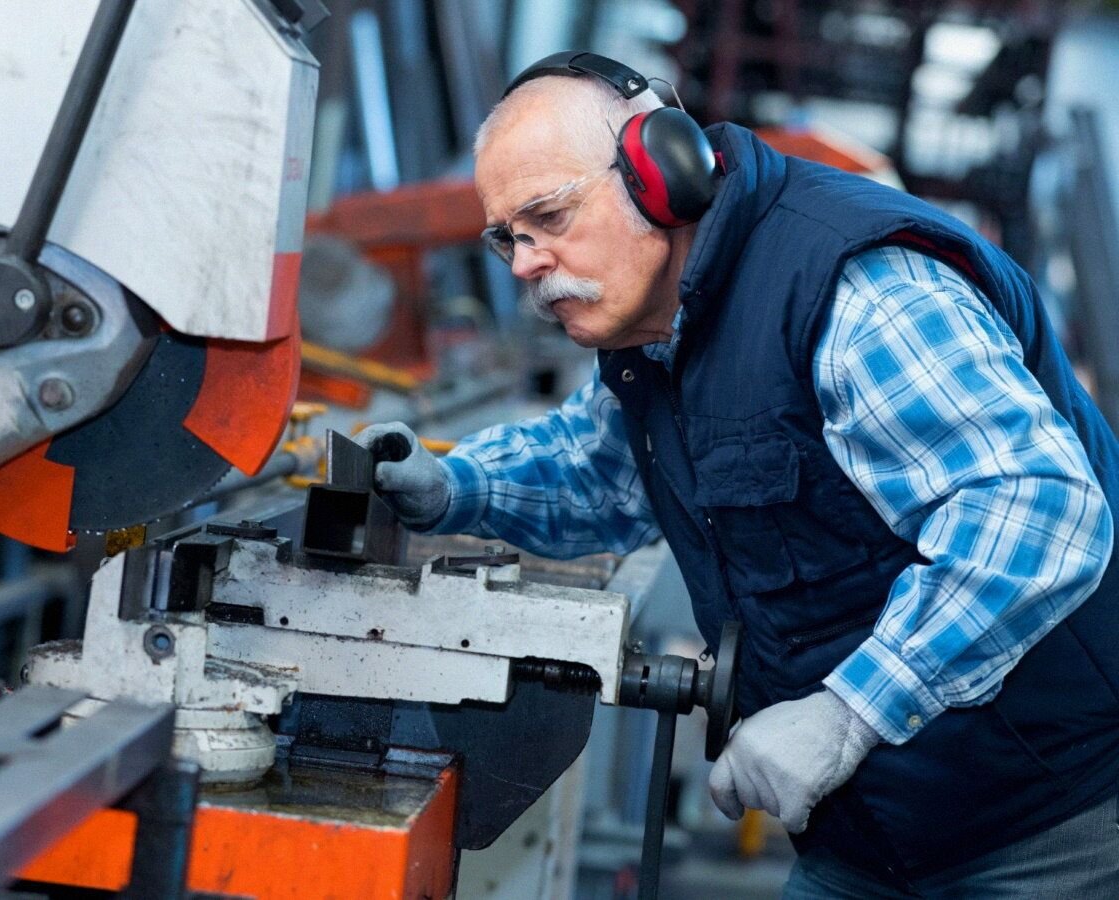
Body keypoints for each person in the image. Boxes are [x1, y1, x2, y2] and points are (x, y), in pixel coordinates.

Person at [354, 51, 1119, 896]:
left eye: (549, 215)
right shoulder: (656, 332)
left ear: (661, 174)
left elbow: (1035, 508)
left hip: (1051, 824)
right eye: (509, 237)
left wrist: (845, 714)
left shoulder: (853, 289)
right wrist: (454, 486)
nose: (528, 262)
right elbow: (600, 472)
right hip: (867, 832)